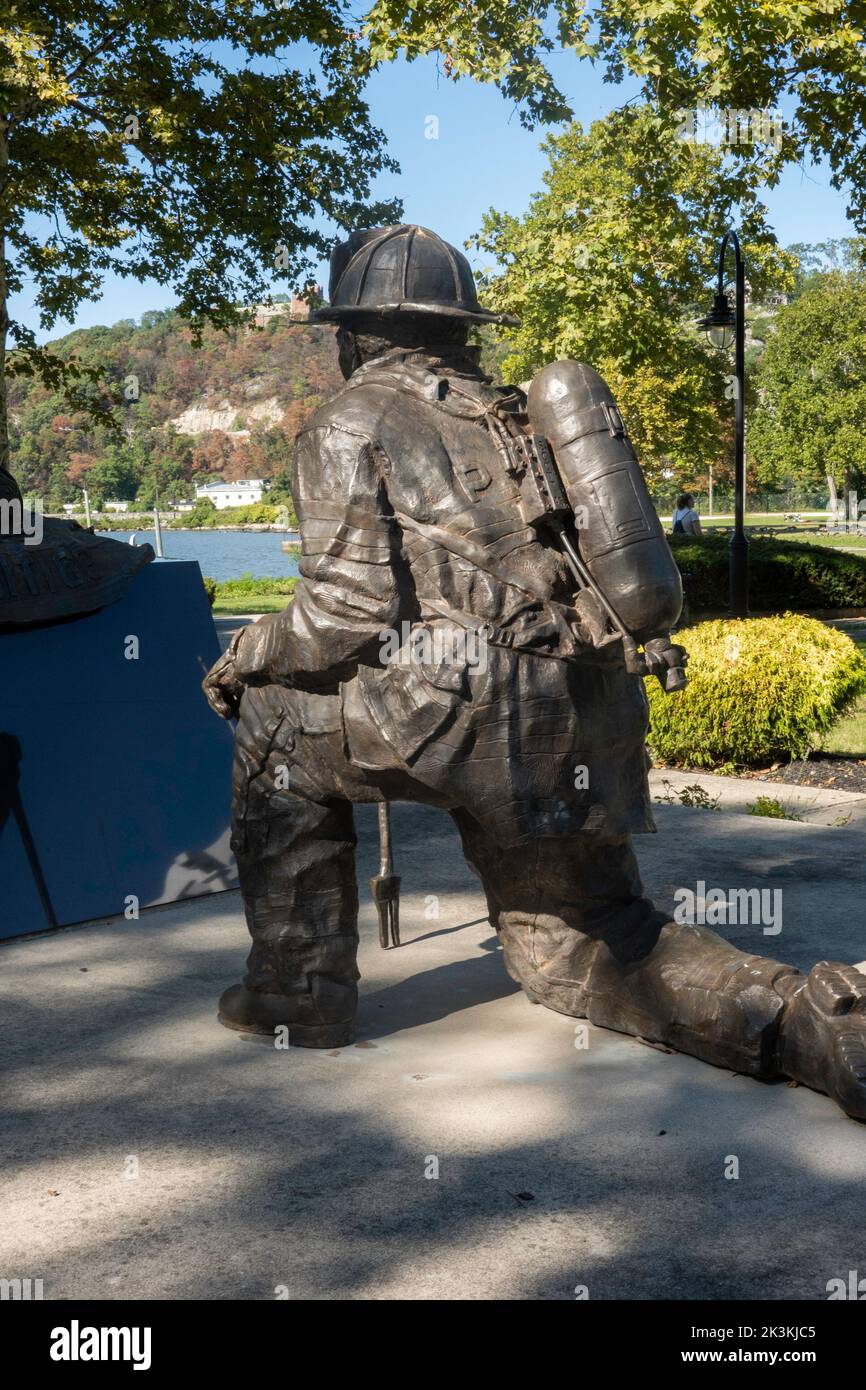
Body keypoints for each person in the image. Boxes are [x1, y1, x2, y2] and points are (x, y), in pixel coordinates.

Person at [204, 223, 866, 1121]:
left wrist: (245, 655)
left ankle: (297, 989)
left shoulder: (350, 420)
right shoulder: (516, 410)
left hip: (455, 709)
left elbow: (344, 616)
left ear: (352, 333)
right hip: (585, 707)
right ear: (460, 327)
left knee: (274, 722)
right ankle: (811, 1022)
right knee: (591, 945)